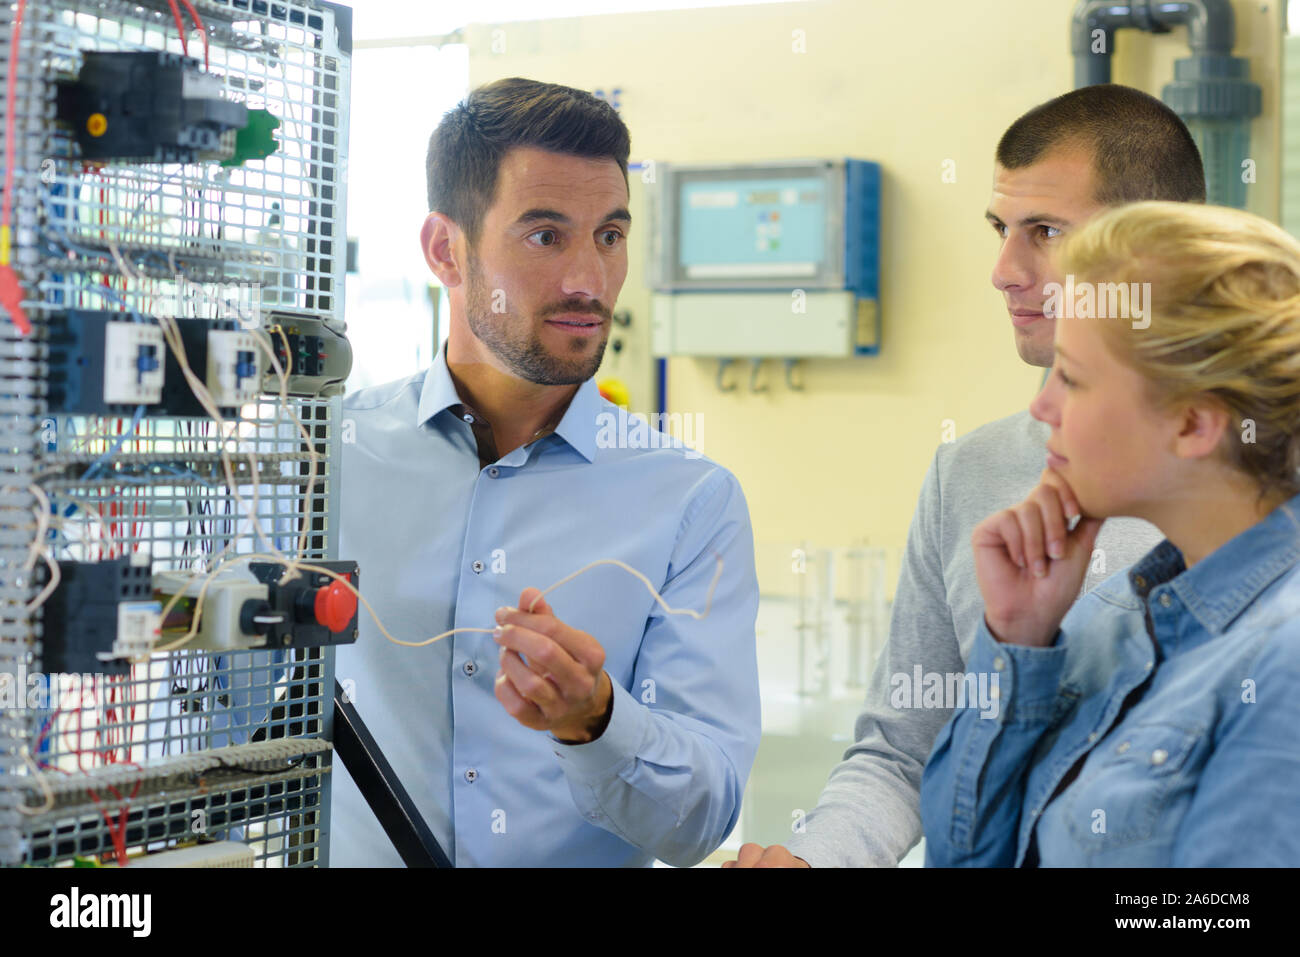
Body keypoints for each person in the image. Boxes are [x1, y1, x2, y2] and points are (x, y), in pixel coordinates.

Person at [728, 84, 1203, 868]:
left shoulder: (1249, 489)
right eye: (1000, 229)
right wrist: (817, 858)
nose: (1004, 271)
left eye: (1044, 231)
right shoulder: (973, 472)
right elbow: (905, 752)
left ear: (1159, 247)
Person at [329, 77, 761, 867]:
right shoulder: (325, 459)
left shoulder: (691, 501)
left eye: (609, 235)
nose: (589, 283)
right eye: (545, 236)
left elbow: (701, 822)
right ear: (444, 250)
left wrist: (598, 721)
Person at [921, 200, 1300, 866]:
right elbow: (960, 856)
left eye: (1071, 377)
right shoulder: (1118, 618)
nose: (1042, 407)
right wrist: (1018, 638)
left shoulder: (1282, 665)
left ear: (1191, 424)